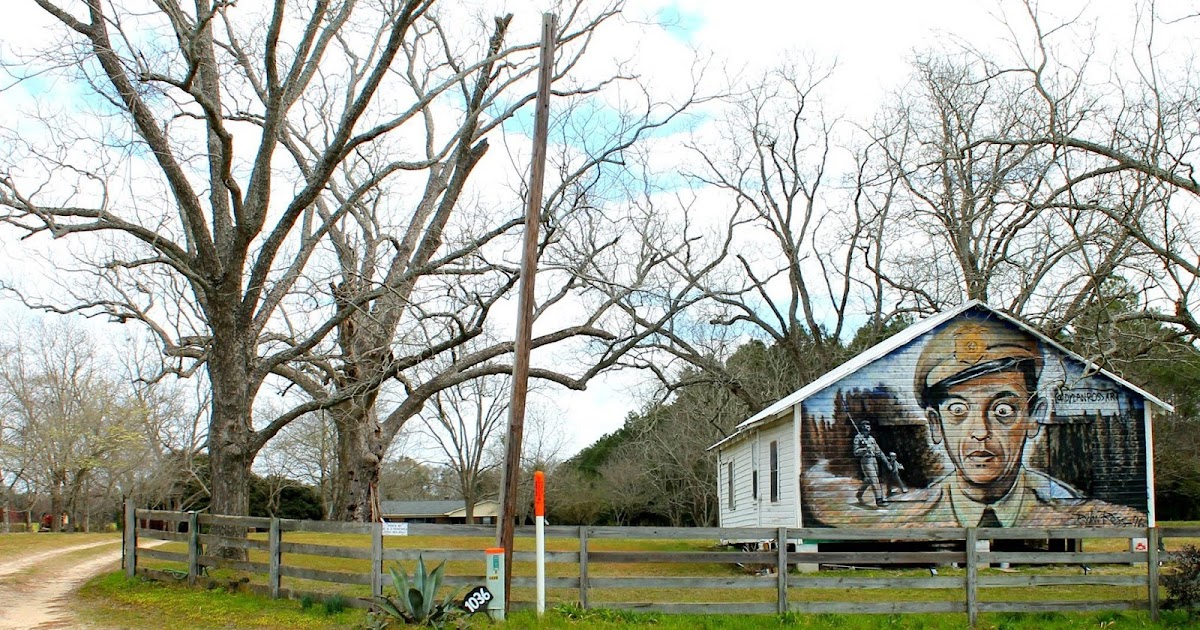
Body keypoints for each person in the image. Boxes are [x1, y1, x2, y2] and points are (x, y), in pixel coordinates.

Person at [911, 318, 1145, 528]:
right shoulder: (912, 515)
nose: (981, 432)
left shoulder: (1069, 508)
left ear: (1033, 417)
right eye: (958, 410)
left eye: (1003, 410)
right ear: (935, 424)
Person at [853, 421, 887, 507]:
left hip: (873, 460)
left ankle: (859, 494)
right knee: (874, 479)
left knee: (869, 479)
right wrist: (865, 449)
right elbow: (856, 452)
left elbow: (878, 451)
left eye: (868, 427)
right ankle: (879, 499)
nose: (867, 429)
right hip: (866, 461)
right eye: (865, 427)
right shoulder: (858, 438)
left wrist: (886, 461)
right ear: (862, 428)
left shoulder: (872, 439)